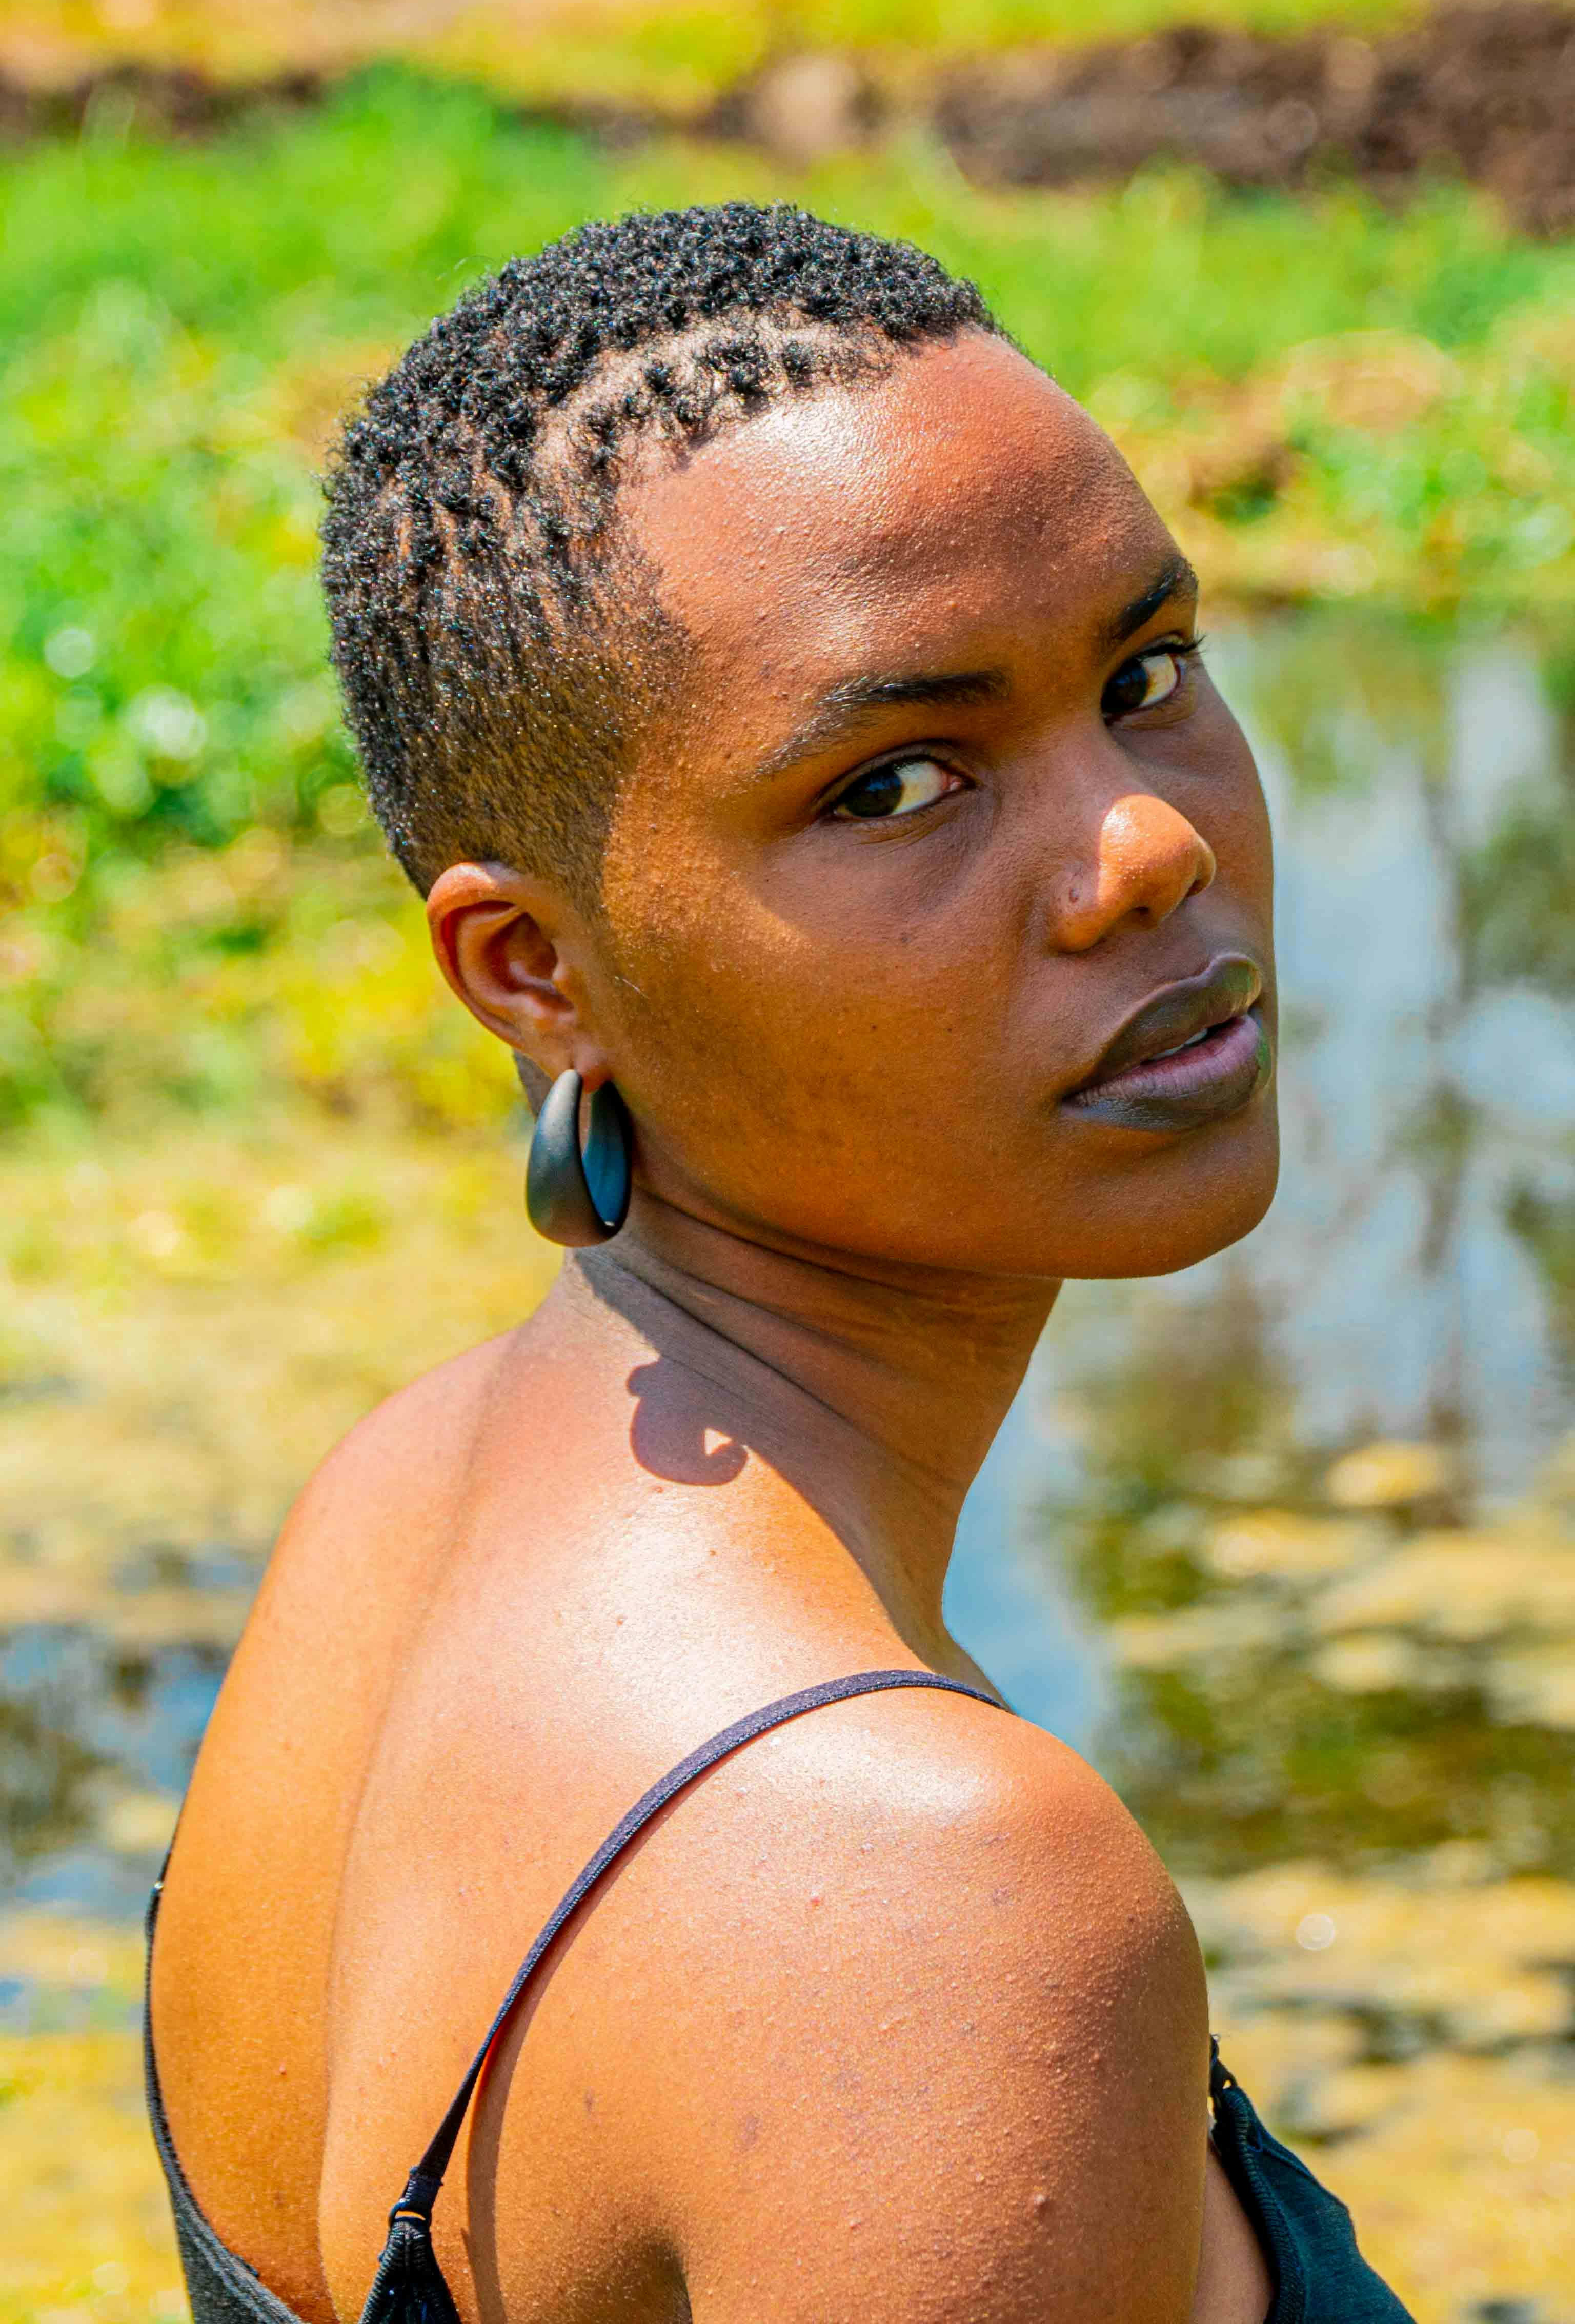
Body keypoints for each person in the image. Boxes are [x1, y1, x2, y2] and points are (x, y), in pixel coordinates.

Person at [146, 204, 1412, 2324]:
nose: (1153, 846)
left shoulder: (396, 1502)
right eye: (898, 781)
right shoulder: (926, 1907)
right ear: (533, 969)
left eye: (1148, 675)